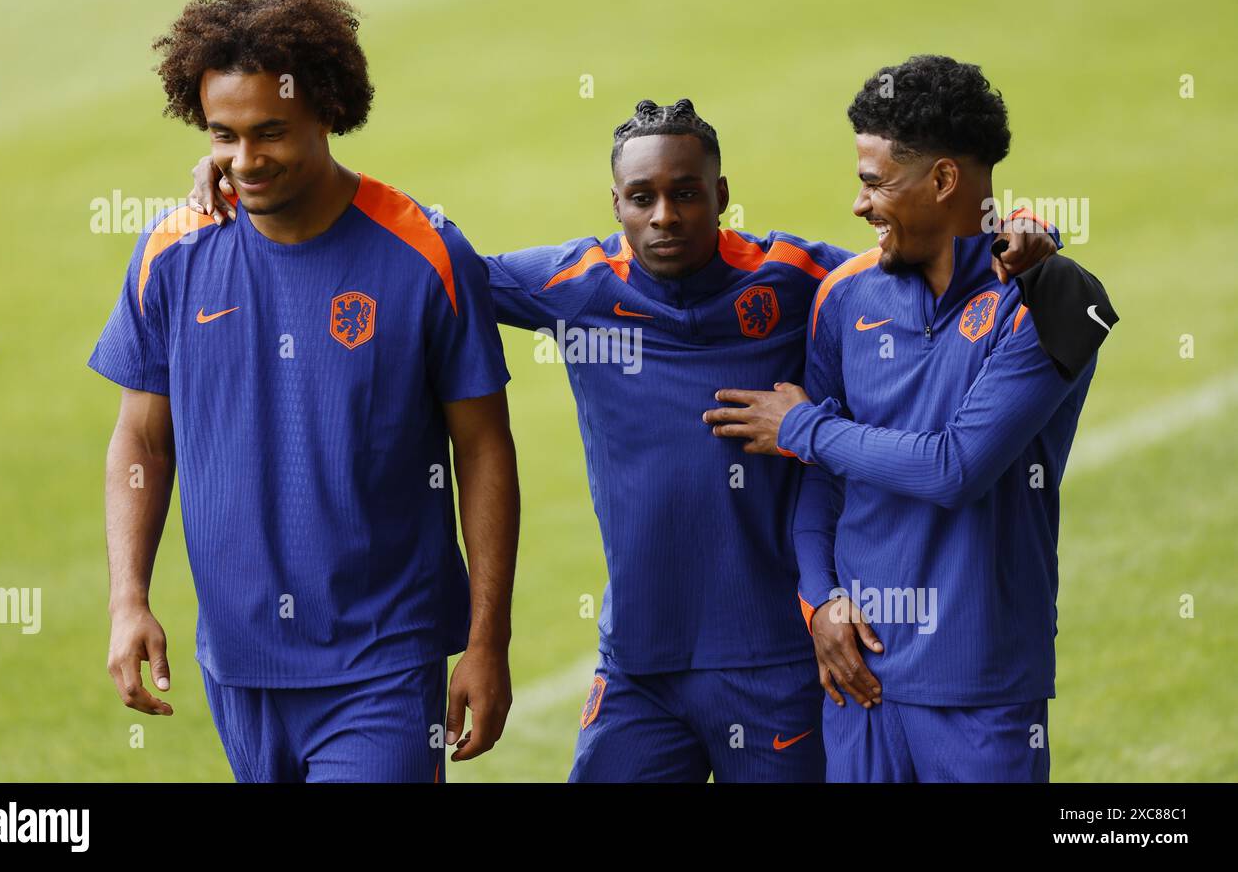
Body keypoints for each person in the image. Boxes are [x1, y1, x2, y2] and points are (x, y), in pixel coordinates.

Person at [192, 97, 1057, 782]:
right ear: (615, 205)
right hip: (639, 660)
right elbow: (424, 263)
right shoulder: (575, 285)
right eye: (642, 197)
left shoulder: (797, 275)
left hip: (778, 664)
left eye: (687, 192)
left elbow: (916, 244)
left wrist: (1017, 232)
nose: (666, 215)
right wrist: (265, 172)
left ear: (722, 195)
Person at [91, 0, 519, 782]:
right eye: (224, 136)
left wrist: (487, 642)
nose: (245, 161)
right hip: (238, 664)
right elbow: (142, 437)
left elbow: (485, 450)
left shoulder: (425, 255)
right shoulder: (172, 251)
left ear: (326, 110)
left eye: (269, 134)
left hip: (381, 666)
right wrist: (129, 600)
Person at [703, 55, 1102, 781]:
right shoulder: (845, 297)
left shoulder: (1050, 301)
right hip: (861, 683)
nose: (860, 205)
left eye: (875, 181)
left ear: (944, 180)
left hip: (980, 688)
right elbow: (818, 488)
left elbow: (958, 468)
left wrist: (803, 428)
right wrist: (821, 604)